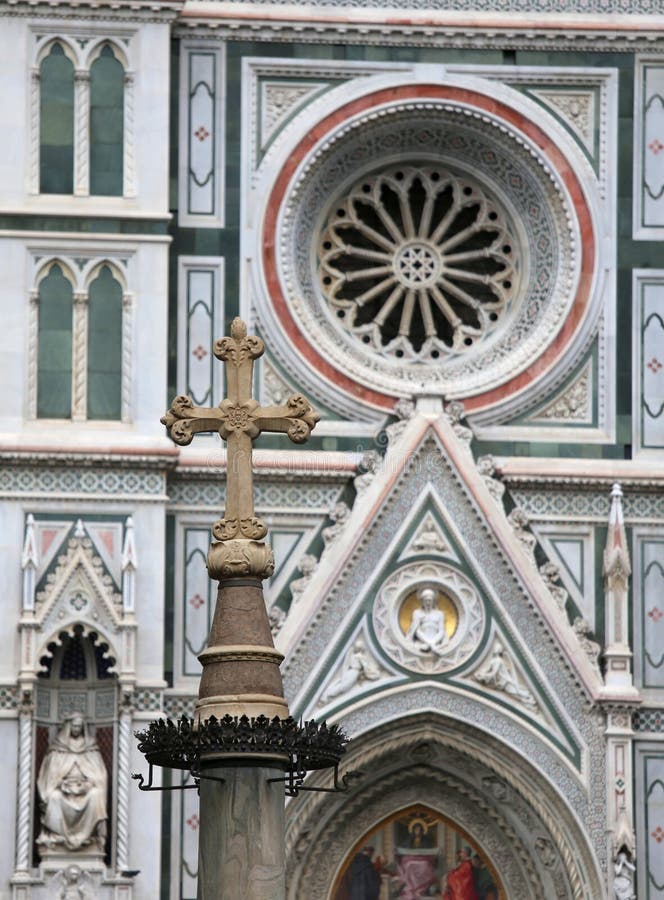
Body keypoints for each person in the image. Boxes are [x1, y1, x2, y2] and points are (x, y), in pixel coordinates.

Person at [36, 714, 108, 853]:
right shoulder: (58, 749)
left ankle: (89, 838)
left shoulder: (90, 748)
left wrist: (87, 785)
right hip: (63, 791)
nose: (76, 729)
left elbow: (100, 776)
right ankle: (57, 836)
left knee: (96, 794)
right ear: (68, 726)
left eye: (79, 727)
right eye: (74, 726)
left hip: (85, 791)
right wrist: (61, 784)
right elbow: (49, 777)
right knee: (53, 797)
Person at [407, 587, 447, 654]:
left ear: (433, 601)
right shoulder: (417, 613)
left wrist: (433, 643)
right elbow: (416, 630)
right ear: (422, 602)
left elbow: (441, 631)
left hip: (436, 642)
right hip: (422, 642)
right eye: (426, 601)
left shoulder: (439, 614)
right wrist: (430, 644)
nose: (428, 603)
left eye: (430, 600)